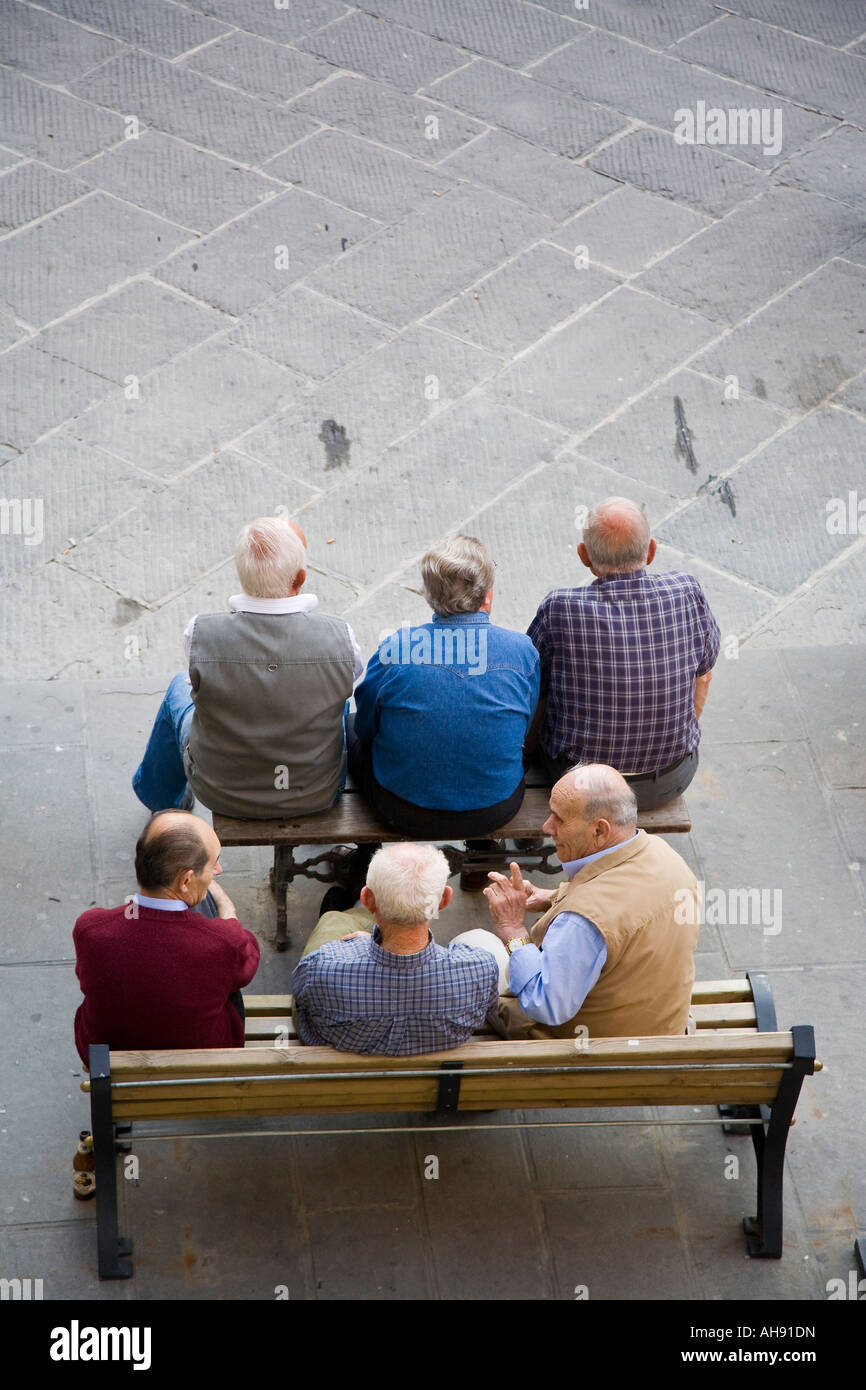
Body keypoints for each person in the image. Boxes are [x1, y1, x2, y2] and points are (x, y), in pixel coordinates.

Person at [132, 517, 362, 818]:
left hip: (220, 790)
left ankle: (163, 802)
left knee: (179, 685)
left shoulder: (199, 632)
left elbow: (196, 684)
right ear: (300, 578)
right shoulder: (340, 637)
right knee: (337, 697)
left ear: (243, 576)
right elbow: (351, 677)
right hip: (317, 790)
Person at [479, 765, 700, 1040]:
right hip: (662, 1030)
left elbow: (545, 1006)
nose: (547, 827)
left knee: (473, 945)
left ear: (599, 831)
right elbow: (625, 908)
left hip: (594, 1057)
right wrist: (552, 898)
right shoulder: (668, 859)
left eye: (558, 819)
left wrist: (513, 930)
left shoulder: (581, 922)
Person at [528, 497, 720, 809]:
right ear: (652, 550)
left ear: (584, 556)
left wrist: (531, 750)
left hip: (582, 786)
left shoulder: (559, 608)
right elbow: (705, 675)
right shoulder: (687, 592)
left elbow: (533, 688)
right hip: (669, 779)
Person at [350, 535, 540, 837]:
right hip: (495, 807)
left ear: (429, 595)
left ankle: (365, 859)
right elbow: (525, 725)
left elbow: (365, 728)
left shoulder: (398, 648)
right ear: (486, 595)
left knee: (349, 726)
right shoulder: (521, 651)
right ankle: (483, 856)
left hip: (401, 807)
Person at [73, 811, 260, 1064]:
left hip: (109, 1061)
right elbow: (246, 964)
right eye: (213, 863)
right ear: (186, 880)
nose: (218, 869)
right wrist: (229, 914)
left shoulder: (91, 928)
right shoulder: (222, 942)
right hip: (203, 1062)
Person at [291, 843, 500, 1055]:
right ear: (444, 899)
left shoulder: (322, 966)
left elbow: (301, 997)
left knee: (332, 921)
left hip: (343, 1064)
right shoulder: (480, 969)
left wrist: (360, 946)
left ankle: (347, 908)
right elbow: (489, 1009)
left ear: (368, 899)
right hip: (442, 1080)